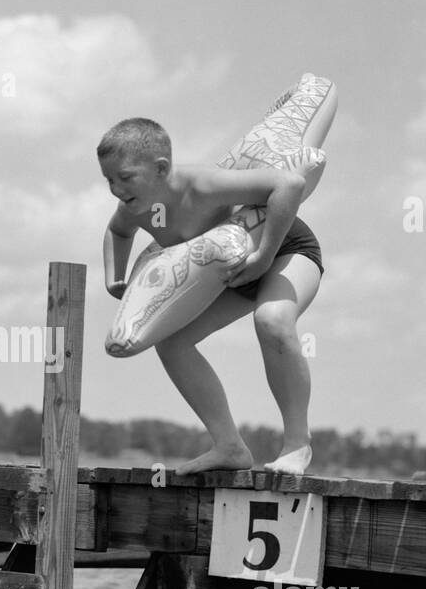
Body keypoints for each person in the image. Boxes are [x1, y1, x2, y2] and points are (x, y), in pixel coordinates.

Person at [99, 104, 333, 475]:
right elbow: (118, 231)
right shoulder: (135, 207)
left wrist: (262, 254)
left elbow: (289, 185)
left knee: (272, 320)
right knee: (172, 343)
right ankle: (229, 446)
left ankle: (296, 445)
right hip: (233, 272)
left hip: (286, 250)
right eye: (108, 179)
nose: (116, 189)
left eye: (124, 177)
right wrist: (115, 276)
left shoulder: (203, 185)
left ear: (161, 168)